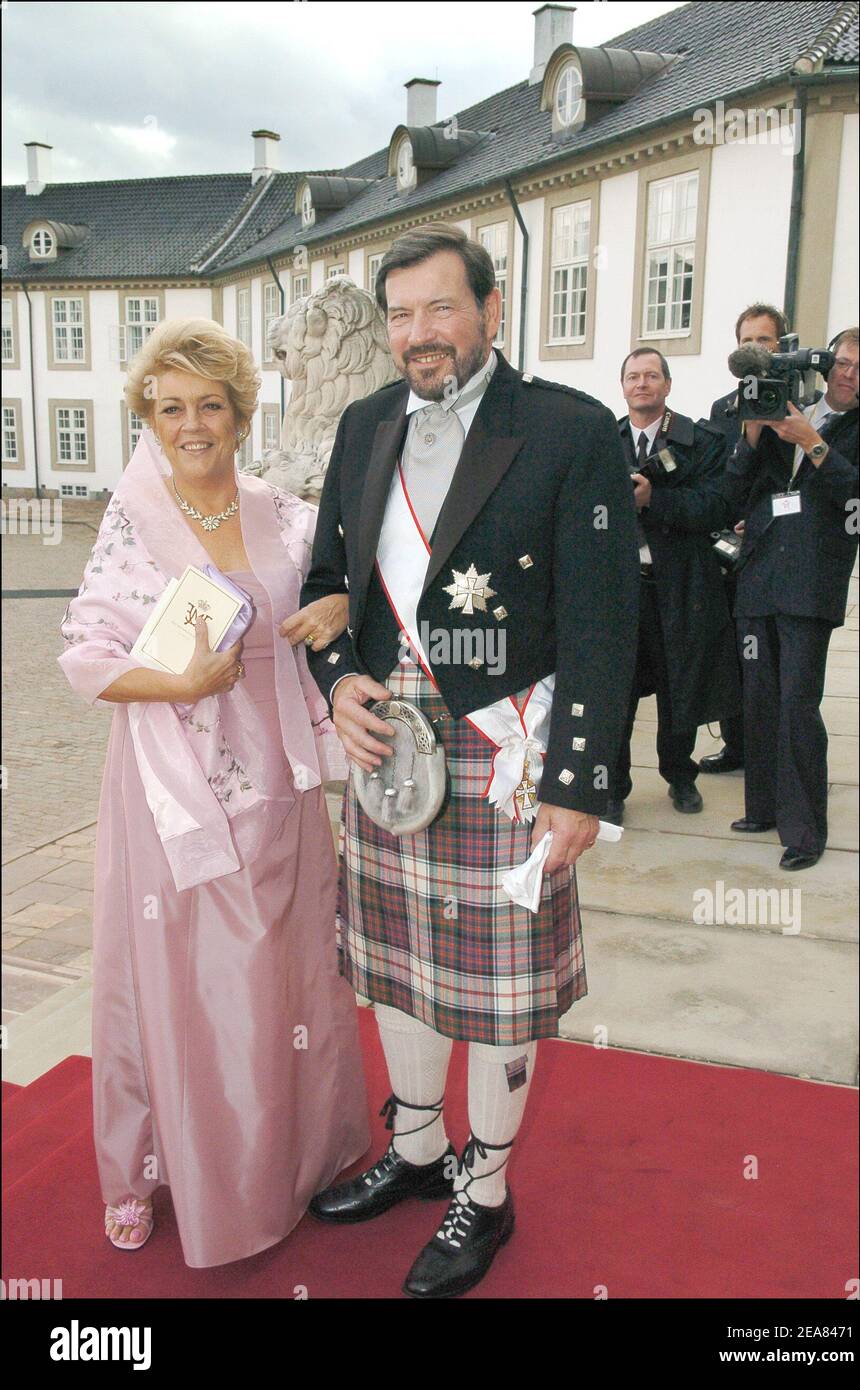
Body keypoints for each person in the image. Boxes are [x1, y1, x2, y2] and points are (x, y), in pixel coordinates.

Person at [299, 224, 639, 1298]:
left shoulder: (568, 430)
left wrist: (581, 784)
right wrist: (340, 683)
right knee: (396, 961)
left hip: (509, 744)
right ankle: (414, 1150)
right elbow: (327, 586)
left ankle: (483, 1195)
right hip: (389, 742)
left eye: (440, 308)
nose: (418, 333)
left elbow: (601, 620)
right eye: (400, 314)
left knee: (497, 986)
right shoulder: (362, 427)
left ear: (490, 311)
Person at [58, 318, 370, 1267]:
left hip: (277, 771)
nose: (192, 424)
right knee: (176, 982)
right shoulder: (131, 519)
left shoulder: (286, 513)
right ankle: (152, 1168)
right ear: (147, 417)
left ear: (240, 414)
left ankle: (293, 1157)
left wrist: (343, 600)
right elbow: (83, 655)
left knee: (280, 977)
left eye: (210, 405)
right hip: (169, 785)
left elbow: (343, 589)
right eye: (171, 407)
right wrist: (182, 684)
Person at [721, 327, 860, 869]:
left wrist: (811, 440)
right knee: (758, 700)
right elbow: (732, 491)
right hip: (758, 580)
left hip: (810, 586)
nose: (848, 373)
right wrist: (754, 433)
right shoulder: (780, 406)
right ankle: (764, 807)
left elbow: (859, 500)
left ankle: (804, 832)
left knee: (797, 705)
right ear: (825, 364)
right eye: (842, 361)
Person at [609, 349, 739, 823]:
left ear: (667, 384)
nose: (642, 384)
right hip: (623, 593)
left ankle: (680, 777)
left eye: (651, 376)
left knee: (679, 690)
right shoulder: (605, 440)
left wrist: (653, 500)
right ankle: (613, 790)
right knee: (617, 697)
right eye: (633, 376)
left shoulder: (700, 440)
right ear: (623, 386)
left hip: (681, 587)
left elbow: (715, 506)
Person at [702, 303, 789, 774]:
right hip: (730, 547)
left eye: (765, 341)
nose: (754, 350)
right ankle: (736, 746)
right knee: (733, 654)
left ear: (781, 346)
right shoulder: (725, 409)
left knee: (771, 660)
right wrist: (749, 434)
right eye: (746, 342)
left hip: (777, 546)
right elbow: (723, 477)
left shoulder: (797, 404)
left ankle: (769, 753)